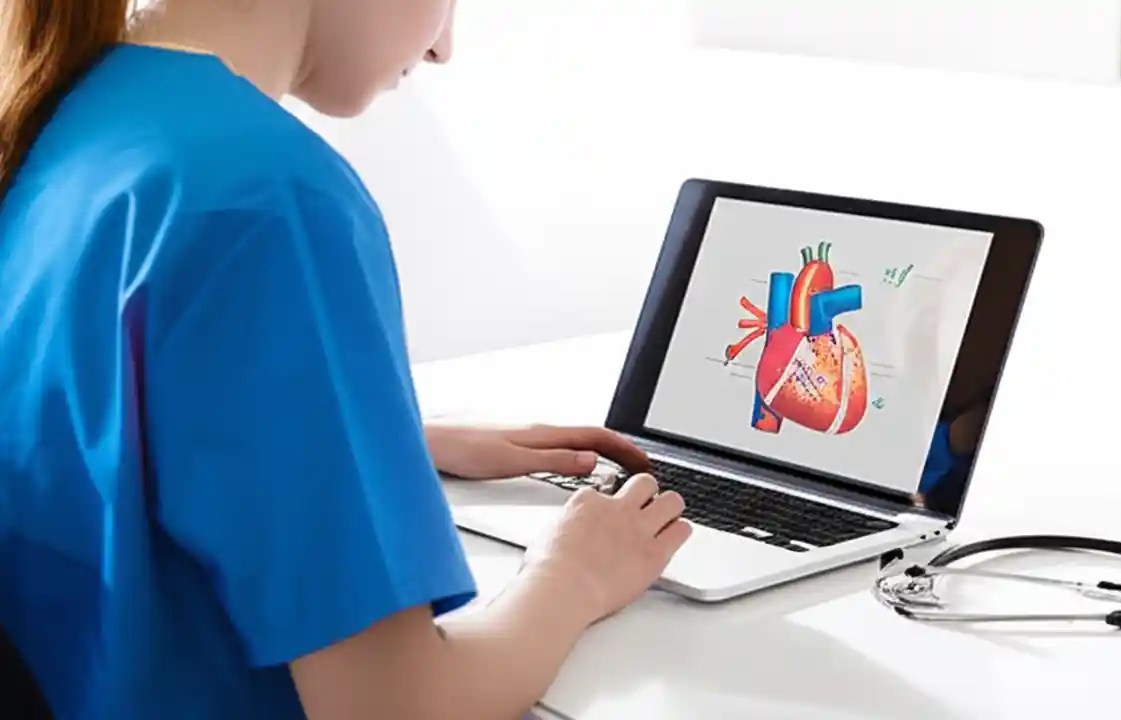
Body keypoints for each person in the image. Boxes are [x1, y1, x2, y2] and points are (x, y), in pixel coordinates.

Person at [0, 1, 692, 718]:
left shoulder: (70, 110)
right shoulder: (269, 197)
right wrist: (574, 575)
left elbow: (90, 434)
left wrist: (374, 445)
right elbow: (399, 706)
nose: (443, 46)